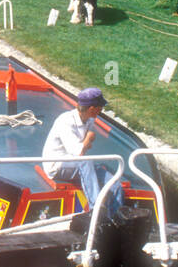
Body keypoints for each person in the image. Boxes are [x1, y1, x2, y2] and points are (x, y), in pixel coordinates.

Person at [41, 87, 123, 216]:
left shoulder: (89, 119)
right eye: (100, 107)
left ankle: (116, 220)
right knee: (86, 161)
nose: (101, 110)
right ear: (92, 109)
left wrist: (86, 142)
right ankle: (96, 210)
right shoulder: (65, 121)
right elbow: (78, 153)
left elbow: (83, 149)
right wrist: (89, 137)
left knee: (114, 183)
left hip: (77, 164)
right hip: (57, 165)